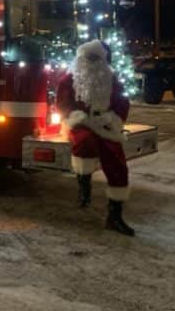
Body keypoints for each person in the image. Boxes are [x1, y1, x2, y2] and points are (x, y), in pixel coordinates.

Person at [55, 40, 136, 236]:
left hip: (106, 124)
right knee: (85, 143)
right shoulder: (69, 79)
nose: (92, 62)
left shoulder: (112, 78)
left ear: (103, 59)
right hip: (81, 123)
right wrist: (77, 118)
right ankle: (84, 183)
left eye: (96, 58)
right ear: (81, 58)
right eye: (88, 58)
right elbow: (63, 103)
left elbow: (122, 102)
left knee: (117, 163)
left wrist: (114, 119)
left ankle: (115, 217)